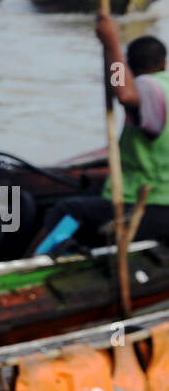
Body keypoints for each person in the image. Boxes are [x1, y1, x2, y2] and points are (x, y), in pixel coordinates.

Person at [34, 20, 169, 254]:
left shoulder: (148, 85)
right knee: (87, 197)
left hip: (151, 204)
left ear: (129, 67)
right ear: (164, 64)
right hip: (151, 197)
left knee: (64, 211)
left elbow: (124, 94)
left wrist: (112, 43)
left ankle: (26, 267)